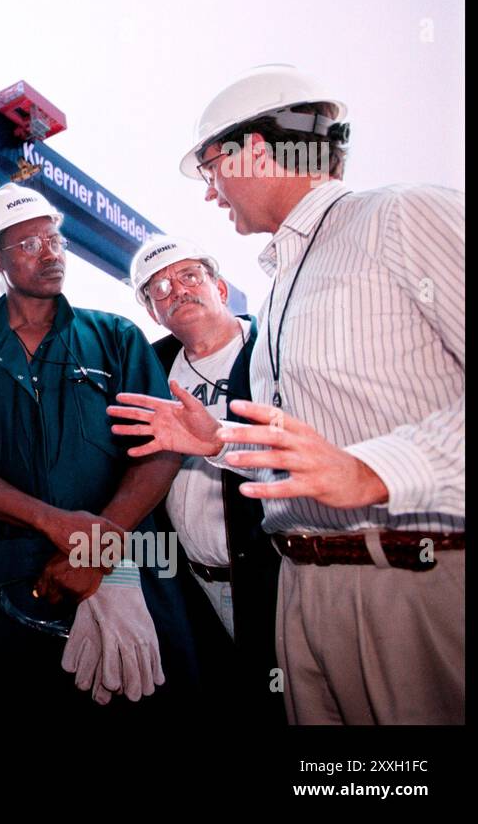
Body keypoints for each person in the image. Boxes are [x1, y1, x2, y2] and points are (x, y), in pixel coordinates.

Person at [110, 64, 464, 724]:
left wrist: (375, 469)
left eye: (212, 168)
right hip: (301, 591)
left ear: (256, 150)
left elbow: (350, 466)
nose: (212, 194)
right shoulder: (278, 298)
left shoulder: (402, 216)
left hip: (408, 583)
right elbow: (307, 454)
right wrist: (218, 443)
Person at [0, 184, 201, 723]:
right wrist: (55, 523)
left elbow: (164, 447)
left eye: (54, 240)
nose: (50, 253)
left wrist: (97, 547)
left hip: (118, 568)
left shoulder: (116, 337)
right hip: (8, 580)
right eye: (28, 245)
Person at [129, 235, 283, 723]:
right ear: (153, 313)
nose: (177, 290)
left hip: (277, 579)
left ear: (219, 286)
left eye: (189, 276)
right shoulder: (146, 372)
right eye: (160, 288)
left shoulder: (275, 352)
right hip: (190, 586)